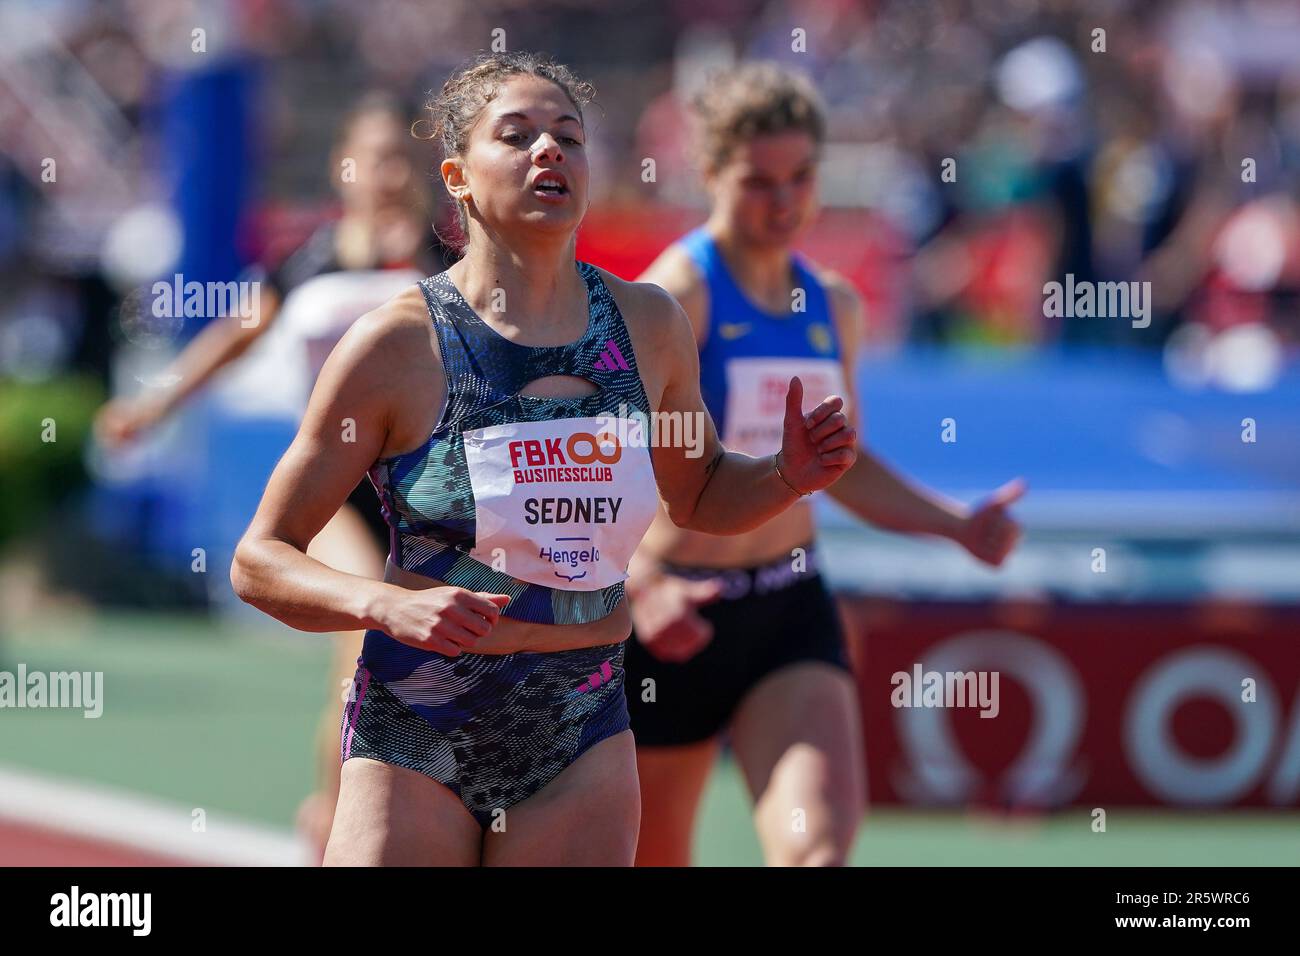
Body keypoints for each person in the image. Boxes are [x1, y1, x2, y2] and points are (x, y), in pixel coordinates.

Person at [228, 50, 858, 866]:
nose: (548, 151)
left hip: (579, 723)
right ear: (456, 175)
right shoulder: (395, 346)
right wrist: (383, 605)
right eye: (516, 136)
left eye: (568, 135)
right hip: (419, 717)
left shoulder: (649, 326)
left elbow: (700, 495)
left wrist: (784, 475)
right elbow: (259, 559)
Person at [623, 62, 1026, 867]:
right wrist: (638, 585)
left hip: (787, 604)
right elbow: (602, 458)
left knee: (817, 852)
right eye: (758, 181)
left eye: (800, 177)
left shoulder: (833, 305)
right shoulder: (675, 295)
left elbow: (843, 462)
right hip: (672, 619)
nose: (783, 201)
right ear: (709, 174)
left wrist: (956, 524)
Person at [93, 92, 446, 858]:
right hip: (334, 494)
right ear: (343, 167)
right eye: (373, 156)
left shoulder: (442, 260)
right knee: (364, 632)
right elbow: (233, 338)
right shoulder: (307, 258)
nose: (386, 174)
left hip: (424, 495)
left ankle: (385, 816)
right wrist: (152, 408)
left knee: (418, 671)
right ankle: (334, 816)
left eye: (400, 158)